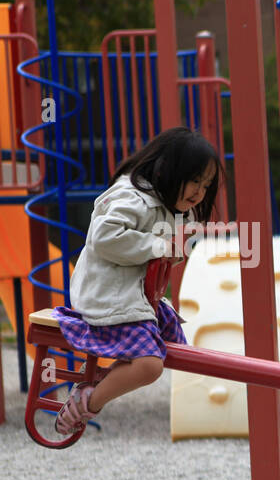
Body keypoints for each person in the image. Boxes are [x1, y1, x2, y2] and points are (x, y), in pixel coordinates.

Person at [51, 127, 222, 435]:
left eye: (206, 184)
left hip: (135, 296)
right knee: (149, 365)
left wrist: (173, 249)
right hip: (107, 296)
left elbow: (169, 247)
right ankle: (89, 399)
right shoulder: (133, 198)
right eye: (195, 180)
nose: (200, 191)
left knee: (172, 345)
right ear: (168, 171)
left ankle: (103, 382)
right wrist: (160, 247)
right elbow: (104, 237)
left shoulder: (170, 205)